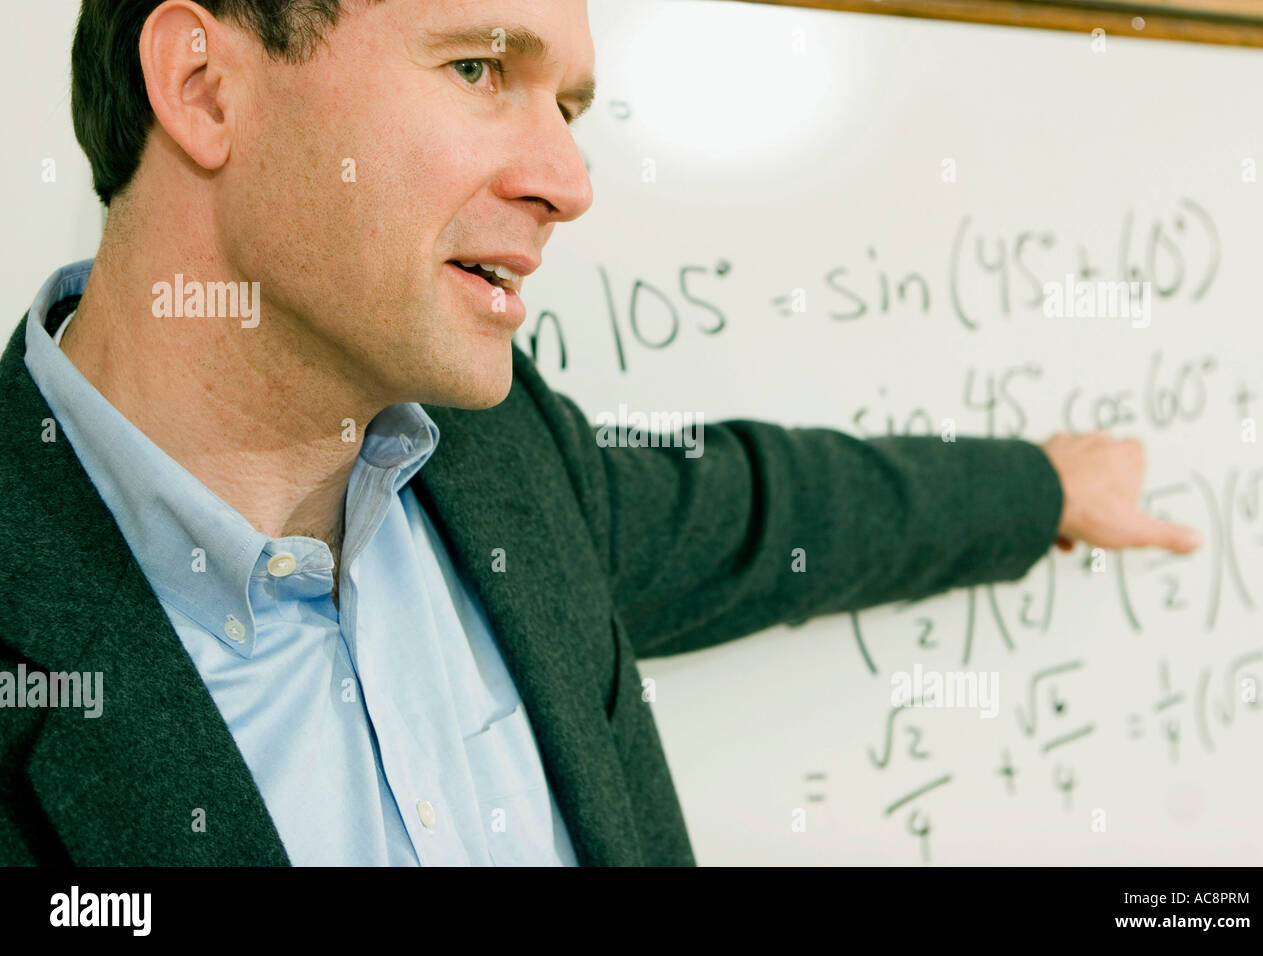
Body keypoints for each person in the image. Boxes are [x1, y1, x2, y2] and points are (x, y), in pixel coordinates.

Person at [0, 0, 1199, 866]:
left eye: (567, 105)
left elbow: (777, 512)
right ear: (206, 86)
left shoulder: (507, 454)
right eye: (479, 67)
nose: (570, 179)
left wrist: (1044, 487)